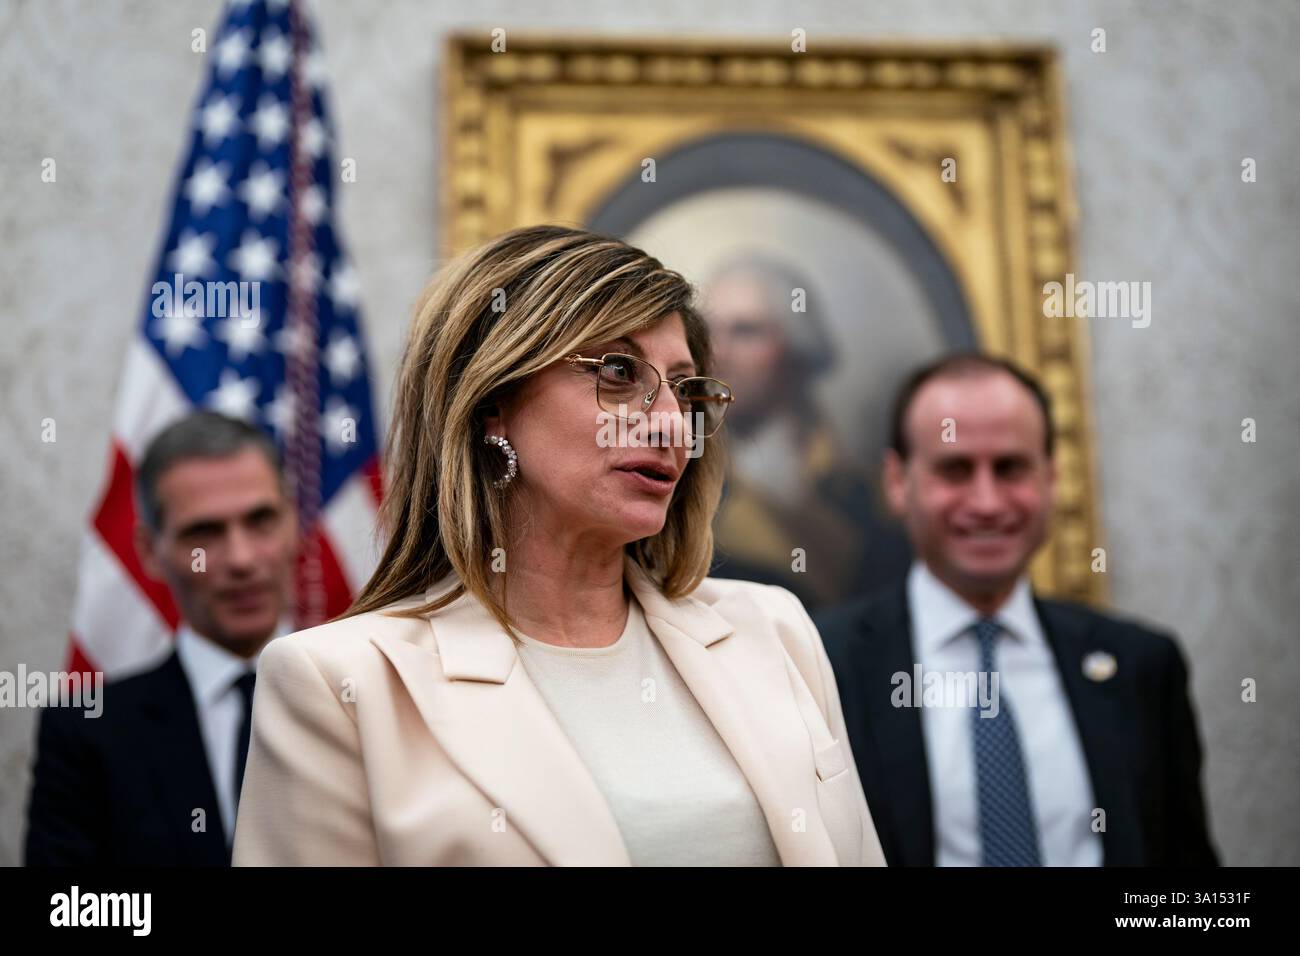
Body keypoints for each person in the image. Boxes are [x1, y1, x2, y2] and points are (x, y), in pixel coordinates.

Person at [232, 224, 884, 866]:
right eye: (620, 372)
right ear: (493, 401)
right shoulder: (342, 682)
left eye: (685, 389)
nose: (669, 426)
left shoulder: (774, 630)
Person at [816, 354, 1218, 866]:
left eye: (1011, 468)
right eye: (955, 469)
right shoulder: (824, 664)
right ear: (898, 483)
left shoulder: (1140, 666)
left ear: (1051, 478)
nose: (986, 502)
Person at [25, 412, 297, 865]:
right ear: (151, 551)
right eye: (204, 533)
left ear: (294, 522)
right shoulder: (86, 735)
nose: (243, 559)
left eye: (260, 520)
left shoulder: (365, 698)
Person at [701, 253, 911, 608]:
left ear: (798, 349)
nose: (718, 352)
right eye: (708, 332)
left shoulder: (863, 488)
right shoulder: (689, 482)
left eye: (745, 331)